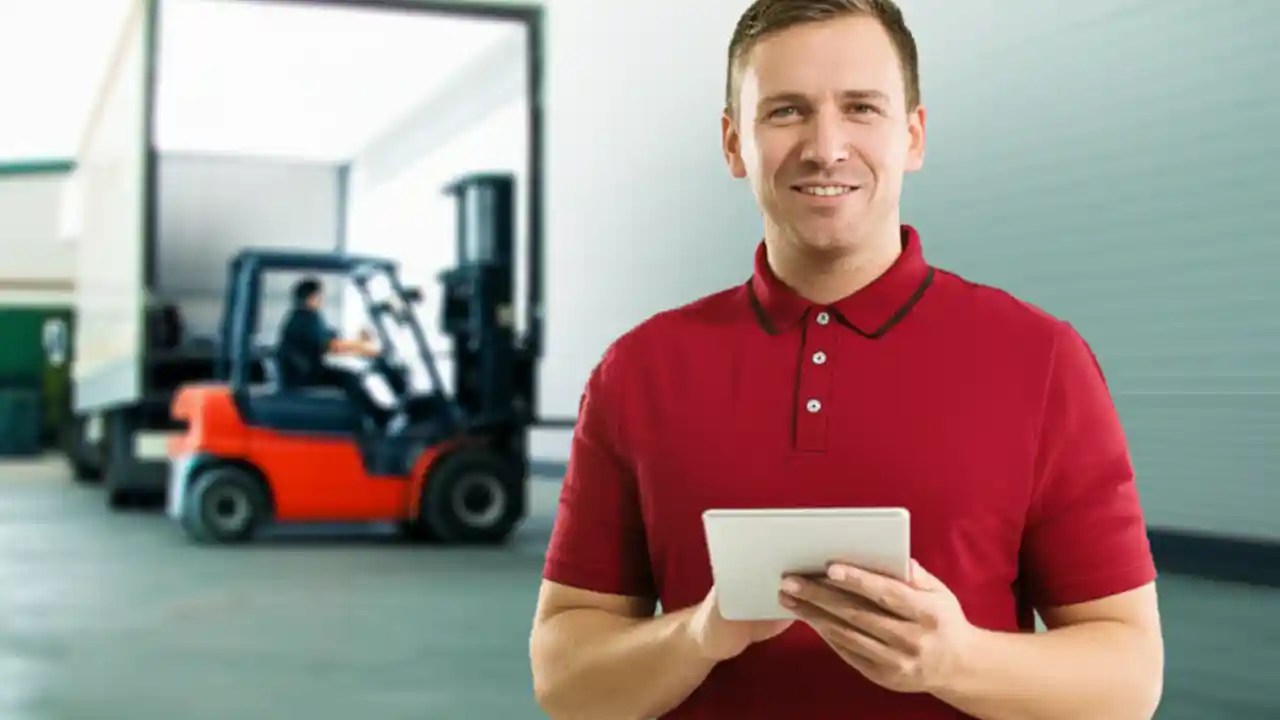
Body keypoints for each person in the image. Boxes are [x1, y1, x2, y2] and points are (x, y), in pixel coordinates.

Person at [529, 1, 1165, 718]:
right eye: (786, 111)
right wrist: (700, 636)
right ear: (735, 144)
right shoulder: (638, 372)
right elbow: (566, 679)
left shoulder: (1043, 360)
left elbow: (1128, 681)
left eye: (861, 107)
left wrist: (955, 661)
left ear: (914, 135)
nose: (826, 146)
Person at [275, 276, 389, 425]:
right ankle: (379, 418)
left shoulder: (307, 317)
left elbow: (330, 338)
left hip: (307, 371)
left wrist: (358, 342)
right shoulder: (304, 318)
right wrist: (363, 348)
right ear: (311, 297)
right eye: (320, 296)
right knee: (349, 378)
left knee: (351, 376)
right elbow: (332, 346)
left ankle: (374, 416)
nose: (322, 300)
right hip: (304, 376)